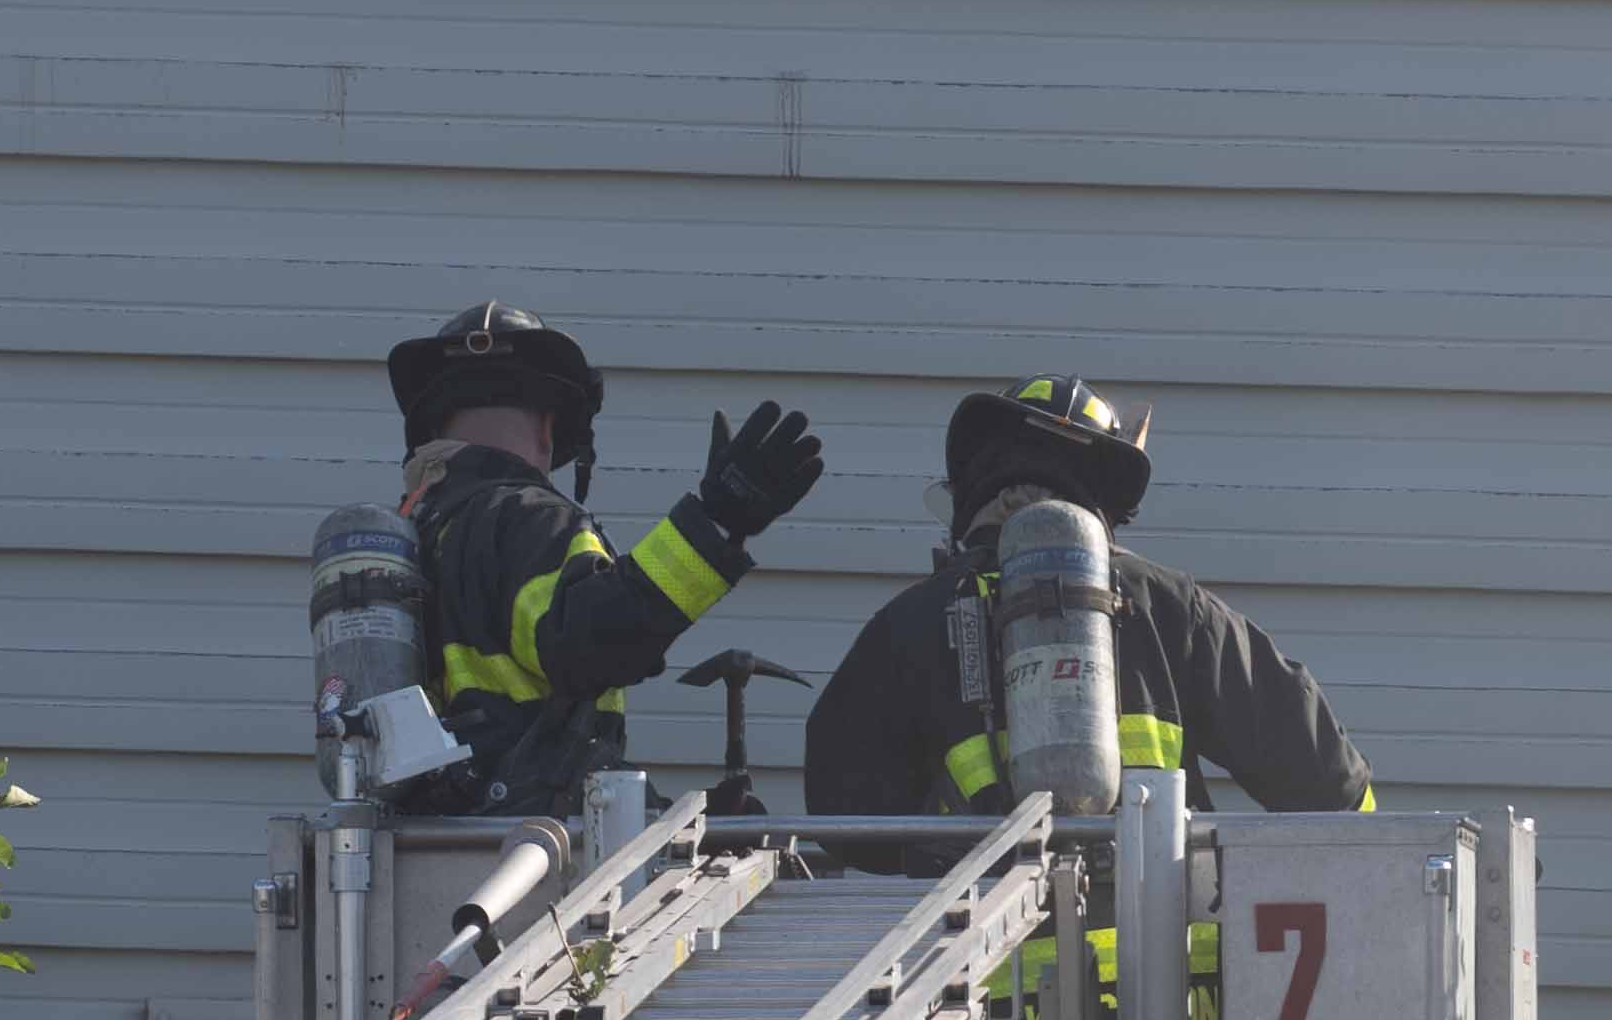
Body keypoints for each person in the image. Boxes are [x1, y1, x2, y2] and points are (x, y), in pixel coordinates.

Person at [801, 381, 1378, 821]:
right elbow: (1328, 783)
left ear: (974, 486)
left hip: (986, 976)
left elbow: (841, 809)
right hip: (1161, 969)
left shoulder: (910, 624)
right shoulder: (1174, 609)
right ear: (1104, 494)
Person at [387, 301, 823, 809]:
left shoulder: (413, 535)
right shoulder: (529, 517)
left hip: (440, 834)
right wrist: (715, 523)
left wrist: (687, 817)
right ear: (549, 428)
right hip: (529, 848)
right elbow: (588, 641)